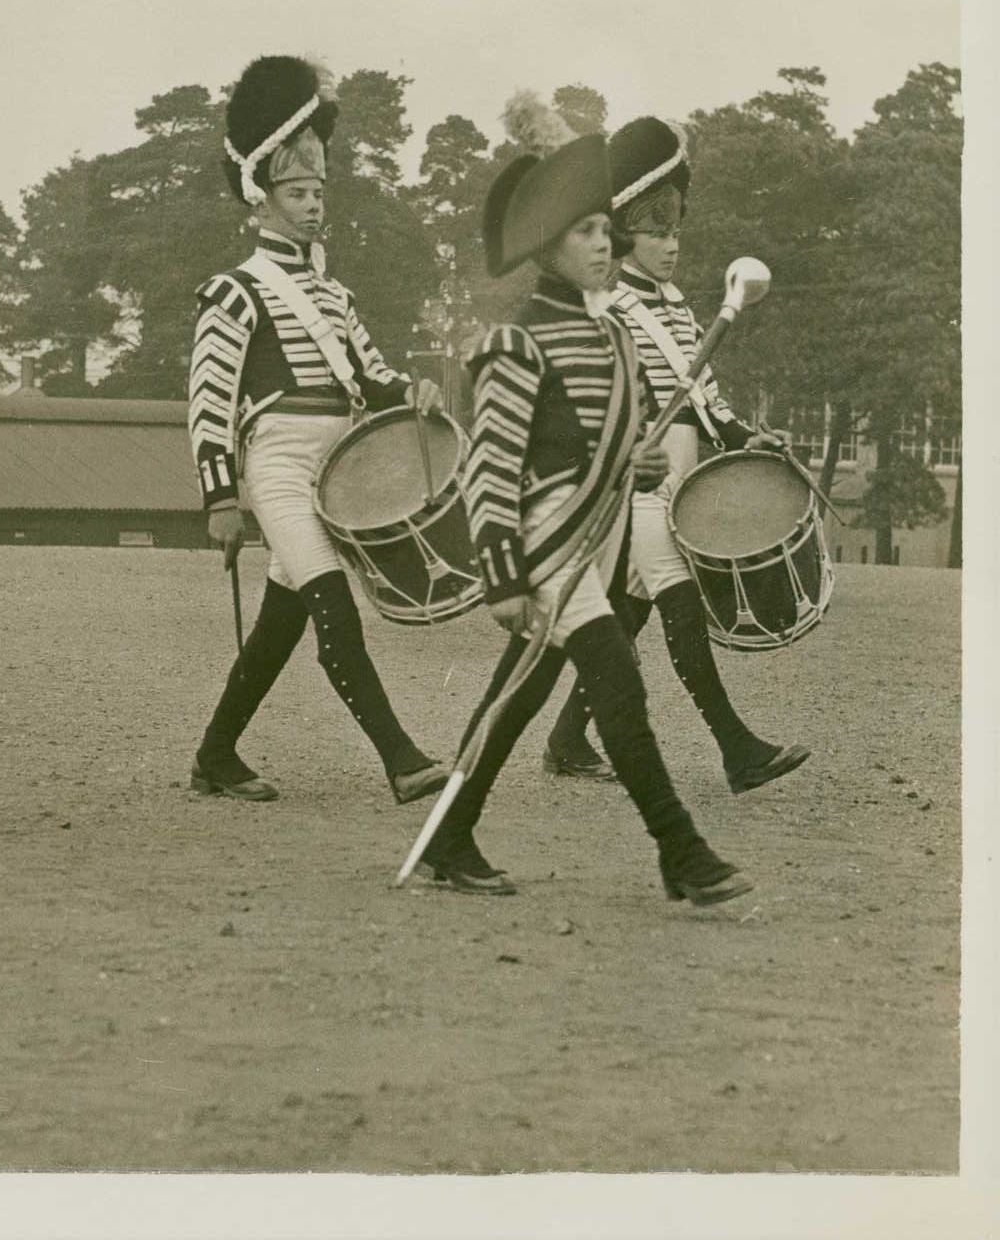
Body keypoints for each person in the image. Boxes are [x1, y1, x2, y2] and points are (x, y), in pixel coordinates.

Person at [416, 132, 751, 905]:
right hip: (543, 547)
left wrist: (643, 461)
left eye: (607, 230)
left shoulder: (613, 336)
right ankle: (682, 853)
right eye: (587, 233)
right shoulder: (514, 343)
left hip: (594, 546)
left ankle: (445, 837)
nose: (606, 243)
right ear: (547, 248)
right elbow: (493, 467)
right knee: (618, 685)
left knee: (517, 697)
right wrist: (502, 576)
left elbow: (620, 442)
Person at [186, 55, 449, 807]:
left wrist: (415, 390)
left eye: (317, 191)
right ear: (259, 201)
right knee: (333, 600)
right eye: (296, 192)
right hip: (276, 464)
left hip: (336, 466)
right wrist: (219, 497)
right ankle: (401, 758)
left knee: (281, 623)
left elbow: (370, 377)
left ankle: (214, 755)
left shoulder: (333, 294)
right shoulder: (235, 292)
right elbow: (209, 402)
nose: (311, 205)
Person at [539, 117, 809, 790]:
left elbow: (706, 399)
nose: (671, 244)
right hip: (639, 483)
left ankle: (568, 739)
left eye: (677, 229)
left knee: (629, 613)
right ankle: (736, 748)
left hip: (684, 471)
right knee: (678, 598)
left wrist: (747, 436)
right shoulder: (604, 306)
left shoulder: (683, 308)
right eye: (657, 229)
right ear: (625, 230)